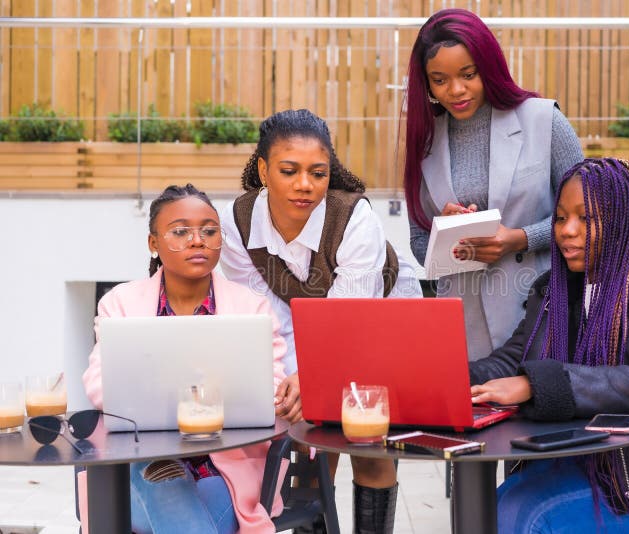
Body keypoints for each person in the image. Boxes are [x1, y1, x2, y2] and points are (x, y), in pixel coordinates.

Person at [469, 158, 629, 532]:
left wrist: (538, 385)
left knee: (519, 517)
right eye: (561, 218)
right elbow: (516, 356)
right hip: (573, 462)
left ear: (625, 220)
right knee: (479, 516)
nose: (567, 231)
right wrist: (452, 378)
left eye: (586, 219)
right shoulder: (557, 288)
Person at [219, 109, 422, 534]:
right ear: (263, 169)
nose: (304, 185)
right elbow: (263, 315)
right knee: (311, 445)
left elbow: (346, 316)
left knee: (369, 446)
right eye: (289, 171)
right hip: (304, 332)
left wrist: (311, 377)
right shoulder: (237, 223)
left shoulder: (354, 217)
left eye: (318, 172)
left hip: (377, 321)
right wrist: (292, 379)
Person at [80, 184, 288, 534]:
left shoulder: (251, 307)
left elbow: (271, 389)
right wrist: (198, 397)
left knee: (169, 502)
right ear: (153, 243)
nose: (198, 240)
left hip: (225, 472)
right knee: (162, 479)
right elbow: (100, 386)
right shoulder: (120, 303)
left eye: (209, 231)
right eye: (180, 232)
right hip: (139, 463)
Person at [403, 8, 585, 360]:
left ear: (489, 66)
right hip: (462, 325)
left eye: (468, 75)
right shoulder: (425, 142)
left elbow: (592, 216)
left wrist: (518, 239)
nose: (456, 90)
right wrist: (447, 236)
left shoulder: (544, 121)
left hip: (540, 312)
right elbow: (418, 241)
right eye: (439, 80)